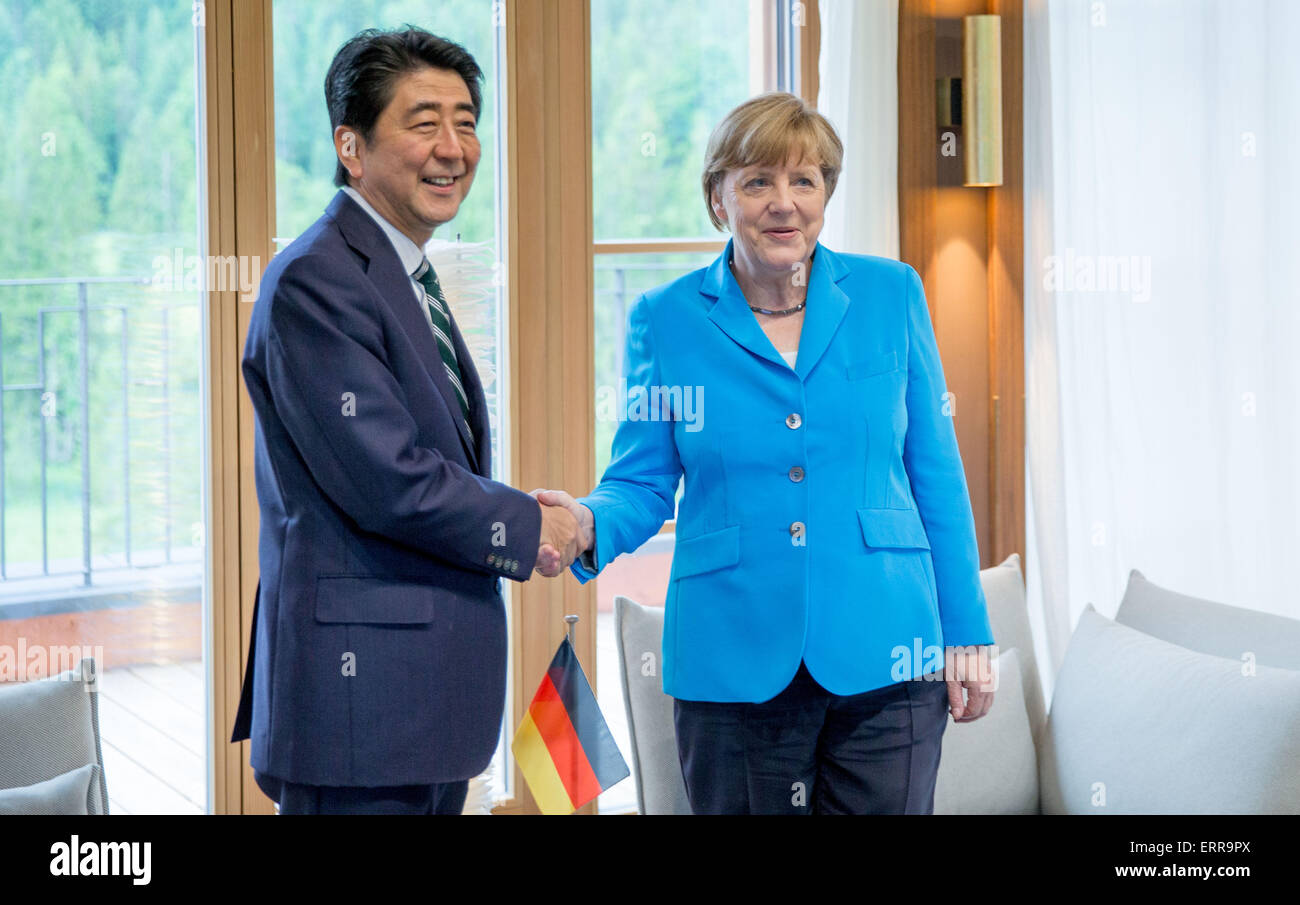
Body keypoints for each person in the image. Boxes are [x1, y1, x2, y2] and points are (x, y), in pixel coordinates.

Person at [535, 92, 996, 815]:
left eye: (804, 181)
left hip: (888, 652)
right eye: (757, 181)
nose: (784, 203)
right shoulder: (668, 319)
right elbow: (642, 479)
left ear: (824, 196)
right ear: (719, 199)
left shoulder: (890, 293)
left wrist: (967, 630)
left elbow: (934, 471)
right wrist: (588, 521)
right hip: (734, 657)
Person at [231, 27, 585, 815]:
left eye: (466, 121)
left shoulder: (401, 267)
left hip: (419, 703)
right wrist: (530, 526)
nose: (454, 147)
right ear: (350, 146)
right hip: (361, 709)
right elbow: (389, 479)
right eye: (423, 123)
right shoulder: (316, 280)